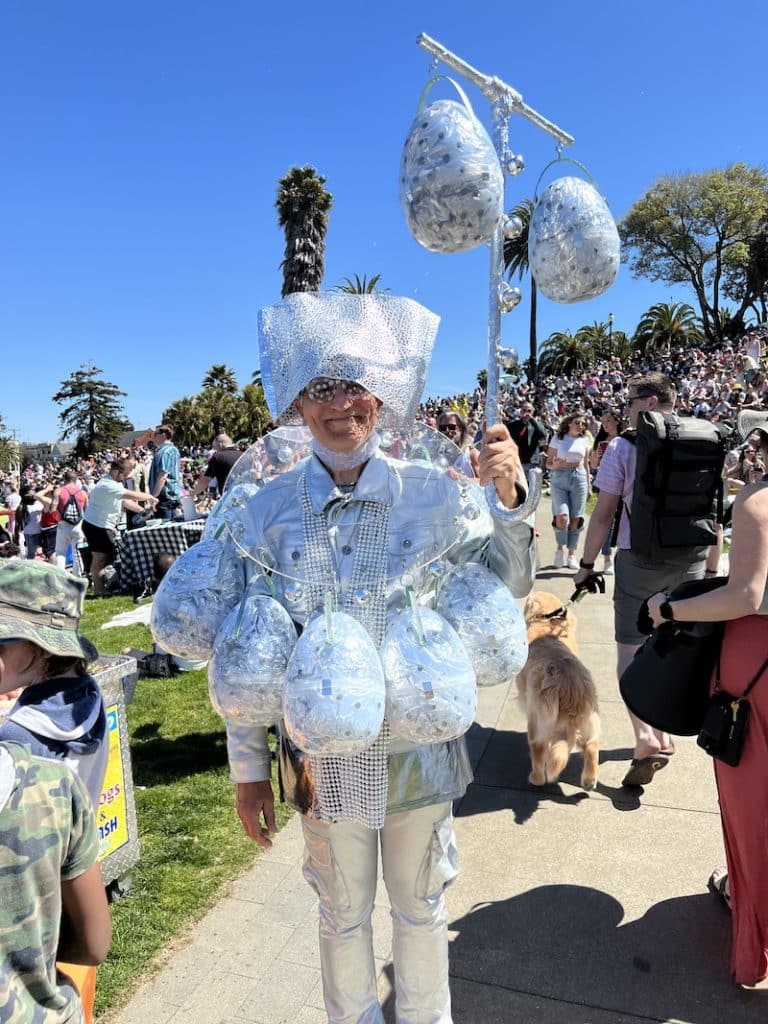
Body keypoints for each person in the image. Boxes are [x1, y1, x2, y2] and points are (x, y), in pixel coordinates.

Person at [155, 292, 536, 1024]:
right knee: (341, 917)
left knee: (423, 912)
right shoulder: (262, 512)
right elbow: (249, 652)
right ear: (297, 402)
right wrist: (247, 773)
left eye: (355, 385)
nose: (340, 404)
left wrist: (511, 495)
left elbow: (509, 582)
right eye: (320, 387)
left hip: (418, 753)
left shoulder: (436, 492)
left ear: (383, 394)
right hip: (323, 762)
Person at [647, 408, 768, 988]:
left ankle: (755, 925)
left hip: (757, 666)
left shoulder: (758, 500)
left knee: (753, 809)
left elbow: (744, 595)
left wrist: (668, 607)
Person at [574, 373, 705, 787]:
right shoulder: (705, 437)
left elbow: (603, 512)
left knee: (630, 647)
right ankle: (663, 731)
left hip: (639, 559)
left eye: (630, 400)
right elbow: (713, 510)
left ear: (648, 402)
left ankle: (646, 736)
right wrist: (713, 570)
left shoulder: (622, 446)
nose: (625, 406)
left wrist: (587, 563)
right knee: (670, 644)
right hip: (692, 561)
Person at [82, 456, 156, 596]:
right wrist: (150, 497)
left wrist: (142, 510)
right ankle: (100, 590)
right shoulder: (107, 485)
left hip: (103, 525)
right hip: (96, 526)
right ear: (116, 473)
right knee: (100, 559)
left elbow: (125, 502)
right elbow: (130, 495)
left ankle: (104, 587)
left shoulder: (115, 484)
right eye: (125, 474)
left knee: (107, 557)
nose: (126, 477)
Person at [546, 411, 592, 570]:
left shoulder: (584, 440)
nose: (581, 426)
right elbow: (548, 463)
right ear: (569, 423)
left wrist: (589, 486)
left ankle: (571, 554)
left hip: (578, 477)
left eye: (583, 424)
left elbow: (586, 464)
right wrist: (555, 466)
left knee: (575, 519)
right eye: (578, 422)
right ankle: (559, 549)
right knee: (562, 517)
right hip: (559, 477)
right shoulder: (557, 438)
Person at [589, 408, 625, 575]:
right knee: (606, 521)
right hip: (606, 483)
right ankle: (607, 558)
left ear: (617, 421)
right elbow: (594, 465)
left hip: (625, 484)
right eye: (603, 422)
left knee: (623, 521)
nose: (605, 425)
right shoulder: (600, 440)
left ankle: (621, 556)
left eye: (608, 421)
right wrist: (596, 455)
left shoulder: (626, 439)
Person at [53, 469, 89, 575]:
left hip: (63, 525)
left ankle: (60, 577)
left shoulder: (59, 491)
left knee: (60, 553)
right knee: (77, 553)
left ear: (65, 479)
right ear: (76, 480)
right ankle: (77, 577)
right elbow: (88, 510)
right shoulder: (83, 493)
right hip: (79, 525)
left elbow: (52, 509)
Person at [504, 401, 548, 476]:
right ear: (520, 411)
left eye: (529, 411)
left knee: (532, 485)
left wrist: (531, 420)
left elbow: (543, 434)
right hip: (519, 459)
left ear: (533, 412)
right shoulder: (513, 425)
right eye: (524, 410)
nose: (526, 413)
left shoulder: (537, 425)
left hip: (533, 460)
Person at [192, 434, 242, 498]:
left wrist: (193, 493)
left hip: (229, 499)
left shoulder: (217, 457)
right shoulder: (244, 455)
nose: (214, 450)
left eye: (215, 447)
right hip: (246, 497)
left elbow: (205, 481)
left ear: (220, 445)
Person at [149, 425, 182, 520]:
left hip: (164, 496)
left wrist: (154, 498)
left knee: (163, 527)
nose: (154, 437)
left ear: (163, 435)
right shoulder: (174, 450)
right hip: (174, 494)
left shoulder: (164, 452)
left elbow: (162, 476)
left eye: (155, 434)